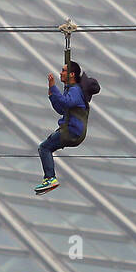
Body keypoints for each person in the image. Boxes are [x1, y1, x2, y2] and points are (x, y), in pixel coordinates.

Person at [35, 59, 93, 195]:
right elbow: (62, 109)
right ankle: (49, 178)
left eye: (64, 70)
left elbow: (66, 102)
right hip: (72, 131)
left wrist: (54, 88)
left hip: (71, 131)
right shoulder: (72, 90)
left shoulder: (75, 90)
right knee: (45, 147)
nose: (60, 73)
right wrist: (51, 93)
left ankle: (50, 178)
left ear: (72, 74)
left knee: (44, 147)